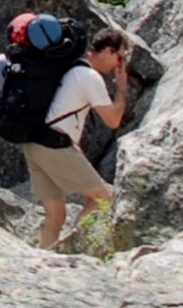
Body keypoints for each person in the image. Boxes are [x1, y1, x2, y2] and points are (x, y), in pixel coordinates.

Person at [24, 28, 131, 249]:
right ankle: (72, 251)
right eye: (120, 57)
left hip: (33, 141)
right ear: (108, 51)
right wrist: (121, 90)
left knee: (55, 214)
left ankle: (43, 263)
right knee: (104, 198)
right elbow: (113, 120)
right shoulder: (89, 76)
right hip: (53, 144)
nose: (119, 65)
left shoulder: (70, 68)